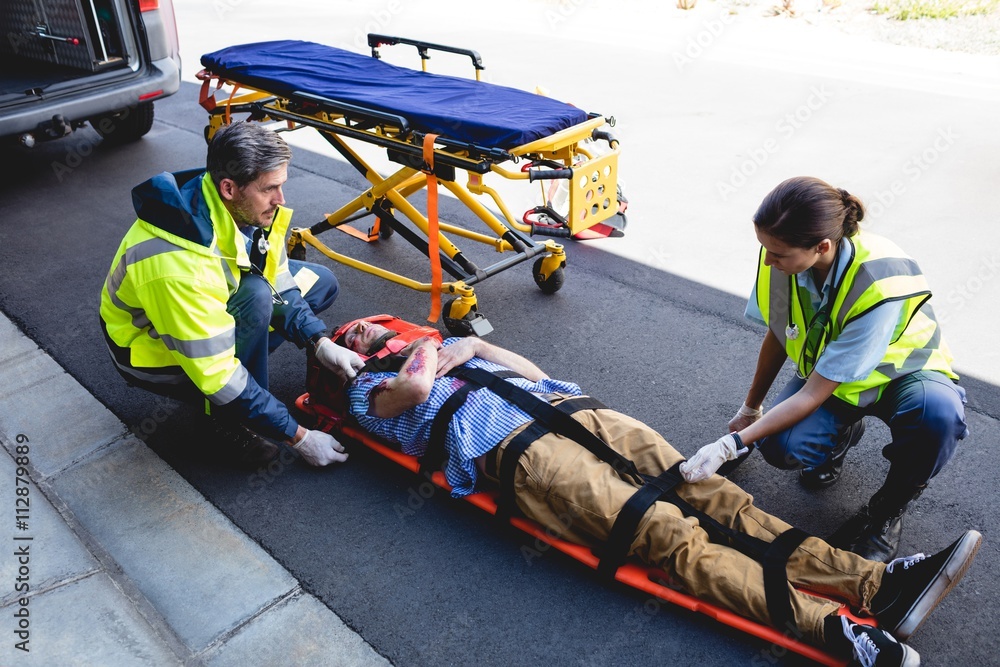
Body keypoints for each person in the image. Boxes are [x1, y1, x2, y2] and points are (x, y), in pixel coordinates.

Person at [335, 317, 981, 667]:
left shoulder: (451, 346)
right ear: (349, 356)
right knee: (671, 536)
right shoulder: (369, 390)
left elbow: (539, 374)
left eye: (367, 323)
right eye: (352, 334)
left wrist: (473, 342)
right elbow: (416, 391)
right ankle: (836, 629)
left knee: (718, 498)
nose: (363, 328)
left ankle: (875, 585)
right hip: (519, 455)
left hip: (578, 411)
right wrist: (415, 347)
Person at [682, 176, 968, 563]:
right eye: (764, 248)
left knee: (936, 417)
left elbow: (813, 393)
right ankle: (842, 434)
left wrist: (732, 444)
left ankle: (885, 512)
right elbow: (780, 334)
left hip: (906, 377)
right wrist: (751, 410)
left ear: (822, 247)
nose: (768, 260)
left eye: (778, 254)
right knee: (780, 446)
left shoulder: (877, 279)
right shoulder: (783, 257)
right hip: (836, 378)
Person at [99, 122, 365, 467]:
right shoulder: (177, 263)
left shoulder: (241, 207)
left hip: (209, 302)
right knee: (254, 299)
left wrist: (319, 342)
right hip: (147, 350)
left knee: (320, 282)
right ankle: (225, 417)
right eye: (270, 189)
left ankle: (246, 392)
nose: (281, 200)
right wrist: (298, 436)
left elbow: (279, 281)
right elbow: (217, 372)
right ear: (229, 187)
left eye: (282, 185)